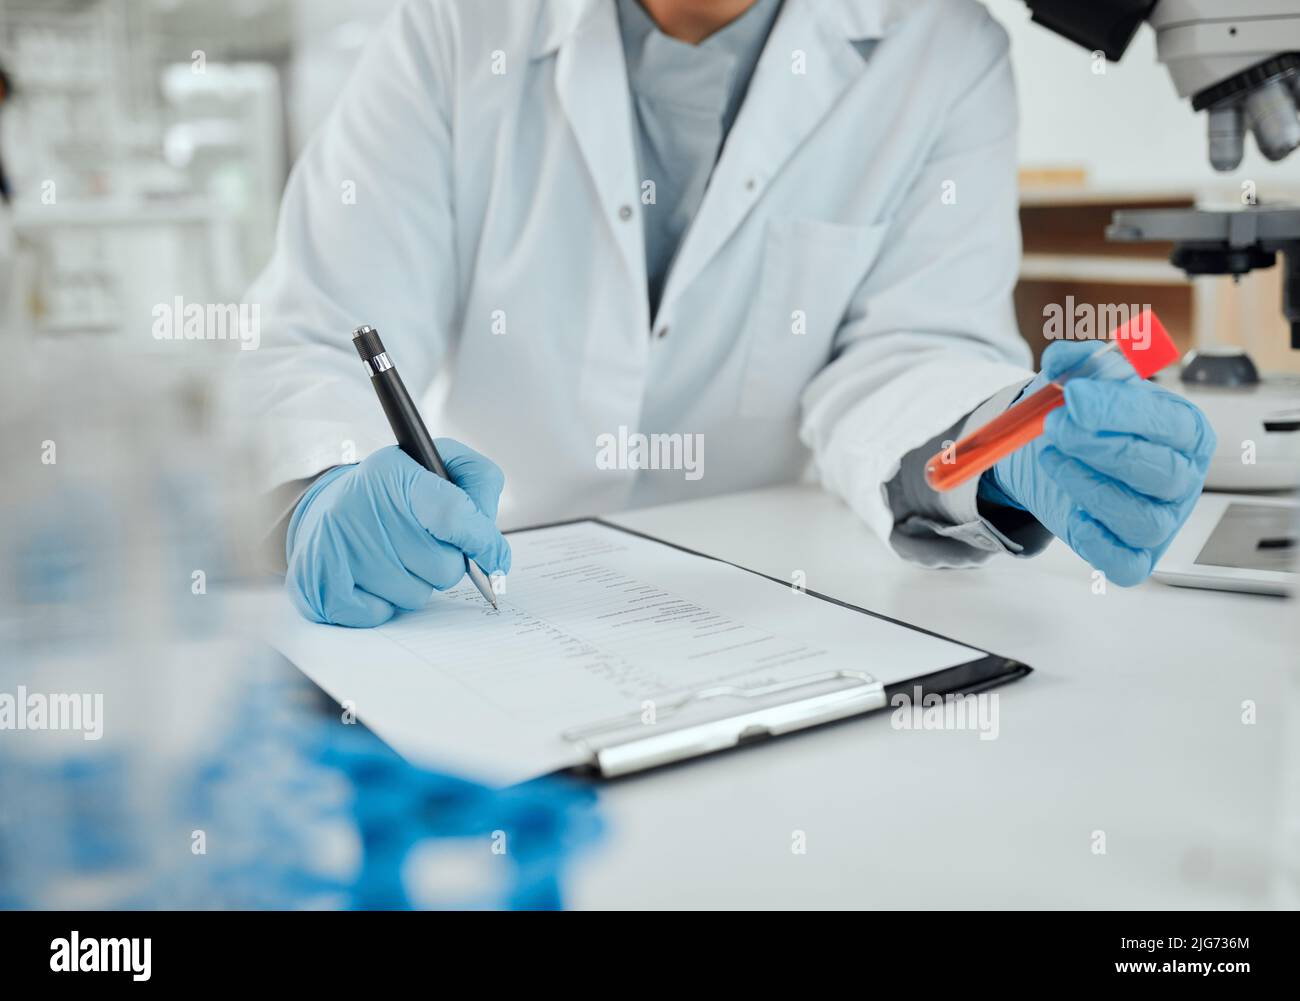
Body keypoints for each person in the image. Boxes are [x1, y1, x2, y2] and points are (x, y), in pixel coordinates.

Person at [240, 0, 1214, 628]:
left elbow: (910, 345)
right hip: (495, 579)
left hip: (783, 597)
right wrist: (321, 484)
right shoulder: (456, 28)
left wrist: (989, 442)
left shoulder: (941, 49)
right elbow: (329, 325)